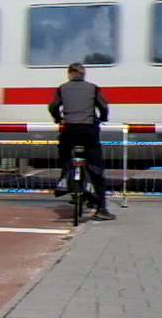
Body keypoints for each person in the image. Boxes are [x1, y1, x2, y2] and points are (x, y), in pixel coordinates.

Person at [48, 62, 115, 221]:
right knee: (96, 169)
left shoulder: (62, 88)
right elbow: (104, 107)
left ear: (69, 74)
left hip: (69, 131)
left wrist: (58, 119)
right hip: (89, 132)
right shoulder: (93, 88)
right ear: (83, 74)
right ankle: (101, 209)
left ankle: (66, 179)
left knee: (65, 154)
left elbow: (53, 106)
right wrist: (103, 118)